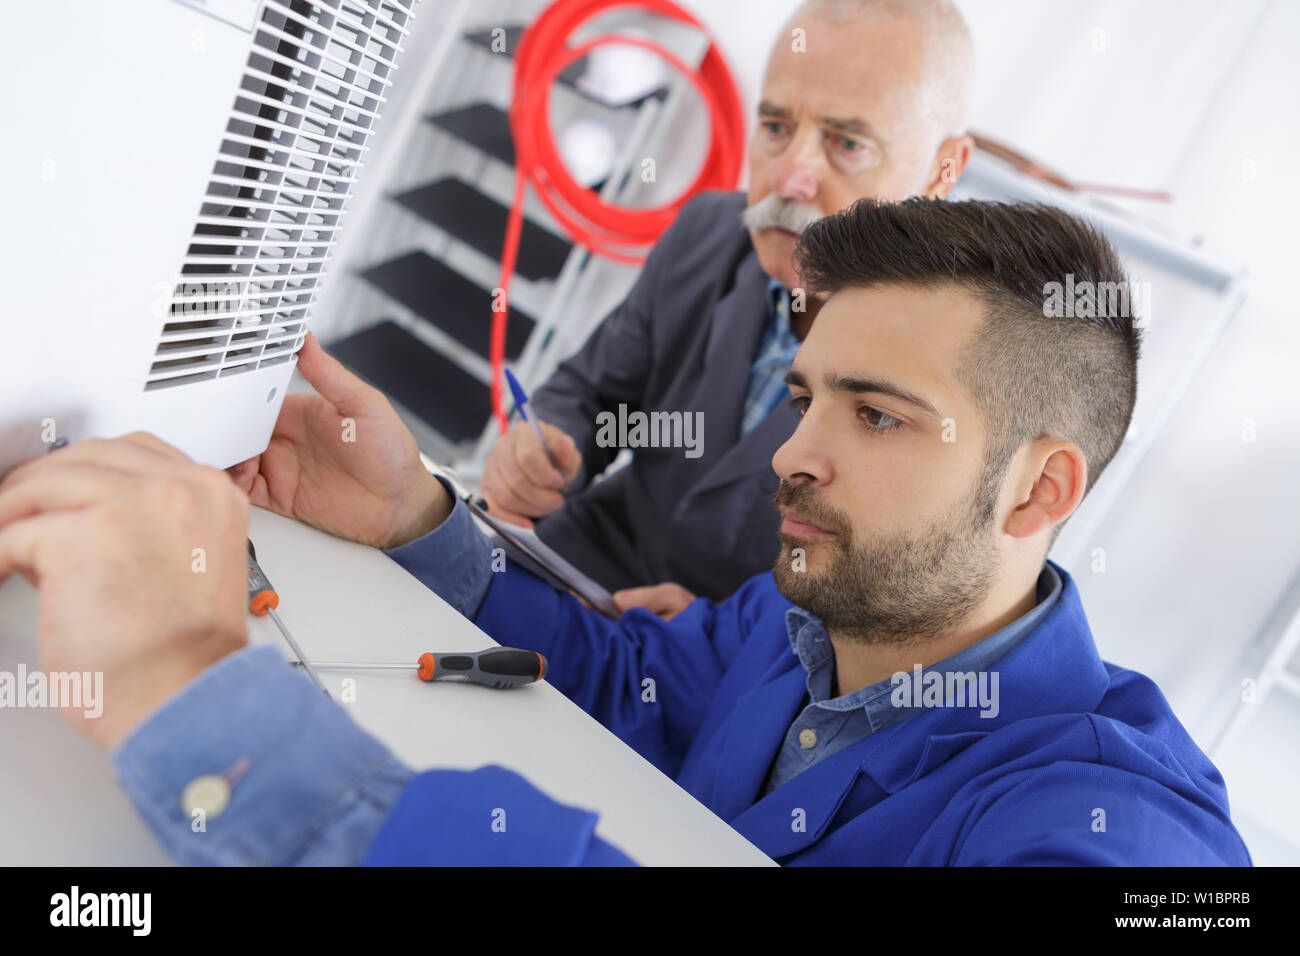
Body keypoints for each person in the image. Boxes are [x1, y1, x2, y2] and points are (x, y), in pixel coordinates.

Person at [0, 199, 1250, 866]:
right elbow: (639, 683)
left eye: (875, 413)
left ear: (1039, 491)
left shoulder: (1111, 821)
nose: (790, 450)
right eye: (807, 394)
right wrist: (418, 517)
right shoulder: (807, 609)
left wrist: (195, 694)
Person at [480, 0, 976, 616]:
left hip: (736, 672)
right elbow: (593, 394)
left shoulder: (954, 377)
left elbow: (884, 615)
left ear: (941, 171)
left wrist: (719, 637)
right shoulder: (708, 234)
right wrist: (551, 447)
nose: (791, 177)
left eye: (847, 143)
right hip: (582, 565)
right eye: (775, 128)